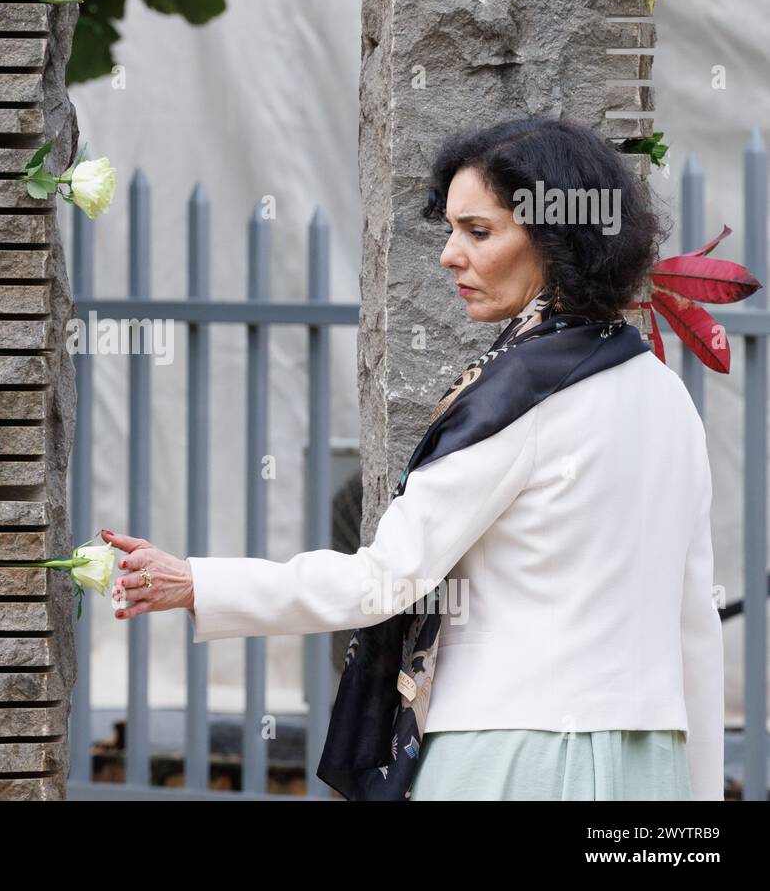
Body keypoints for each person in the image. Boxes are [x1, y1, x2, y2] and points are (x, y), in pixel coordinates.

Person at [100, 117, 725, 801]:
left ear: (555, 237)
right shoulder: (668, 399)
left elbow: (385, 580)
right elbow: (694, 627)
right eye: (450, 228)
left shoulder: (518, 396)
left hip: (510, 759)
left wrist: (197, 583)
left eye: (478, 231)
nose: (449, 255)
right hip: (653, 769)